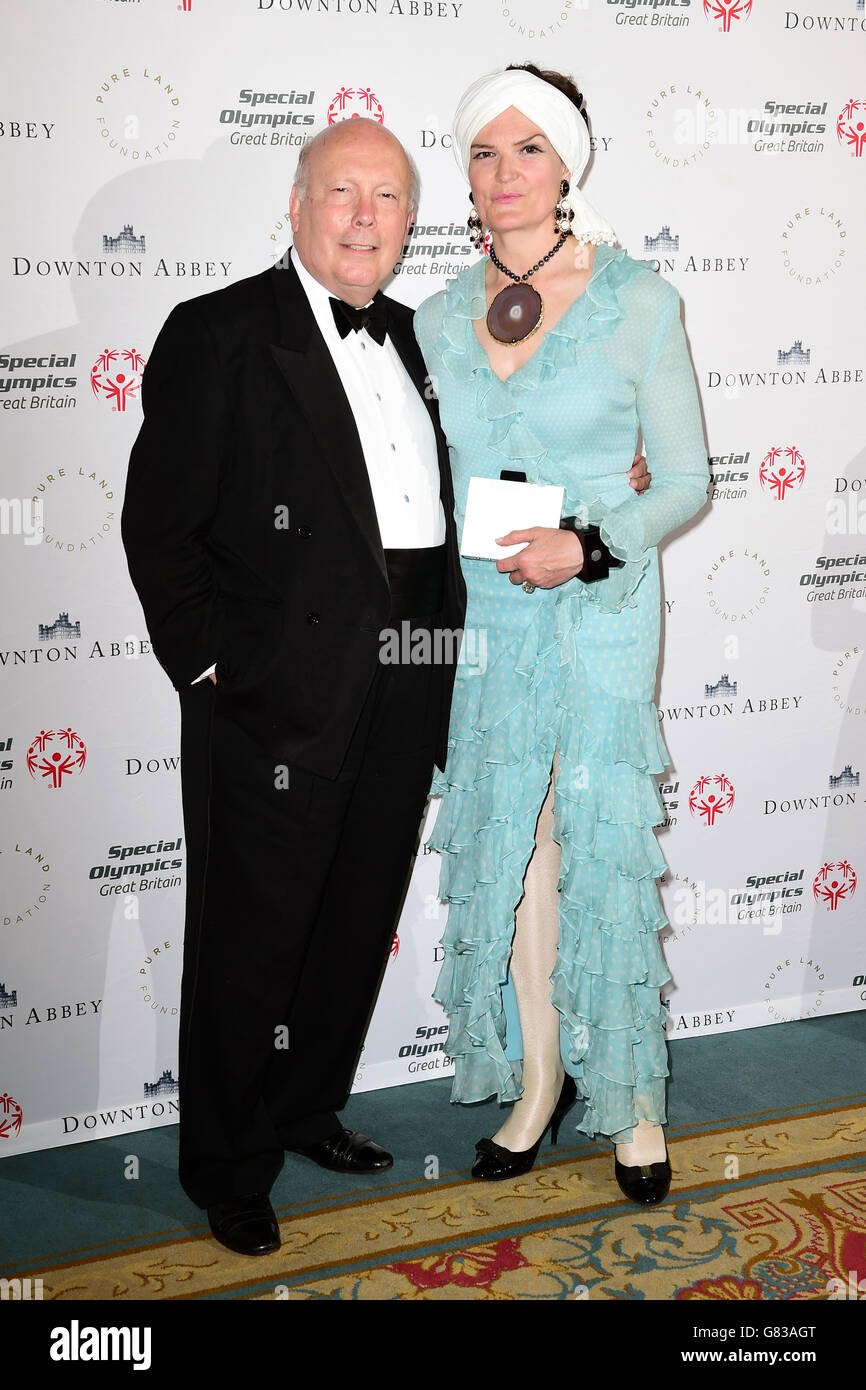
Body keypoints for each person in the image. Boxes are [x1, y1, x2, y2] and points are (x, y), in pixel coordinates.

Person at [121, 114, 650, 1258]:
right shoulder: (217, 332)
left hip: (410, 682)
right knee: (249, 937)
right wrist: (213, 665)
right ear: (297, 204)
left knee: (353, 916)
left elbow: (496, 464)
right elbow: (158, 526)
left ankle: (307, 1106)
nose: (365, 217)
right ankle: (228, 1159)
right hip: (270, 696)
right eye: (342, 193)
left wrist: (615, 473)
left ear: (413, 223)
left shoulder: (424, 337)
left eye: (390, 199)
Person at [413, 64, 709, 1205]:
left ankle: (630, 1100)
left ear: (569, 165)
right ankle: (538, 1084)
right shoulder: (432, 315)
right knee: (518, 850)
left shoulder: (638, 300)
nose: (503, 175)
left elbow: (682, 479)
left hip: (595, 608)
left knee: (598, 846)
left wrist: (588, 540)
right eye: (483, 153)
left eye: (528, 149)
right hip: (483, 619)